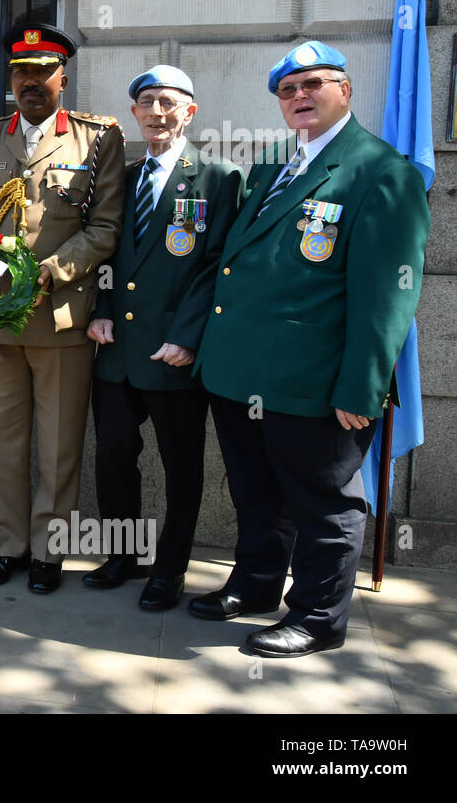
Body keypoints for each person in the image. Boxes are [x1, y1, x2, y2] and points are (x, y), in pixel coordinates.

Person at [190, 41, 429, 656]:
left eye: (314, 84)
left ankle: (319, 616)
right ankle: (256, 584)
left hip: (316, 382)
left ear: (345, 90)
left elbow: (387, 297)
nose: (300, 97)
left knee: (323, 504)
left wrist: (362, 386)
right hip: (242, 375)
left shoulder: (381, 172)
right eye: (288, 90)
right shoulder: (275, 168)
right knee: (256, 493)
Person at [0, 21, 126, 592]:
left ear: (62, 75)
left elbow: (105, 227)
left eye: (41, 71)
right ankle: (8, 545)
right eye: (20, 72)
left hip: (59, 316)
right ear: (10, 78)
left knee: (59, 447)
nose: (30, 81)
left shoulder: (98, 138)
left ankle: (49, 552)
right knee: (0, 440)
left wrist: (49, 273)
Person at [84, 65, 242, 609]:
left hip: (174, 353)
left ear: (189, 112)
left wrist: (188, 336)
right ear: (134, 113)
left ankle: (170, 569)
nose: (156, 112)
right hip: (116, 351)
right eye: (146, 102)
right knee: (112, 458)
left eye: (168, 103)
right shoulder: (121, 179)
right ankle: (124, 556)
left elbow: (217, 265)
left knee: (181, 467)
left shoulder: (219, 178)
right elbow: (103, 252)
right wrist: (100, 309)